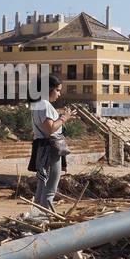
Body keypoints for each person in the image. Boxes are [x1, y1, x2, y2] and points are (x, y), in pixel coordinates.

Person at [29, 75, 74, 213]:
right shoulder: (45, 104)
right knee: (50, 188)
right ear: (49, 89)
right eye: (58, 90)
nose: (59, 94)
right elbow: (49, 129)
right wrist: (64, 118)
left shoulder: (37, 104)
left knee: (42, 186)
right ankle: (44, 216)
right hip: (51, 150)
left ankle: (36, 216)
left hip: (42, 148)